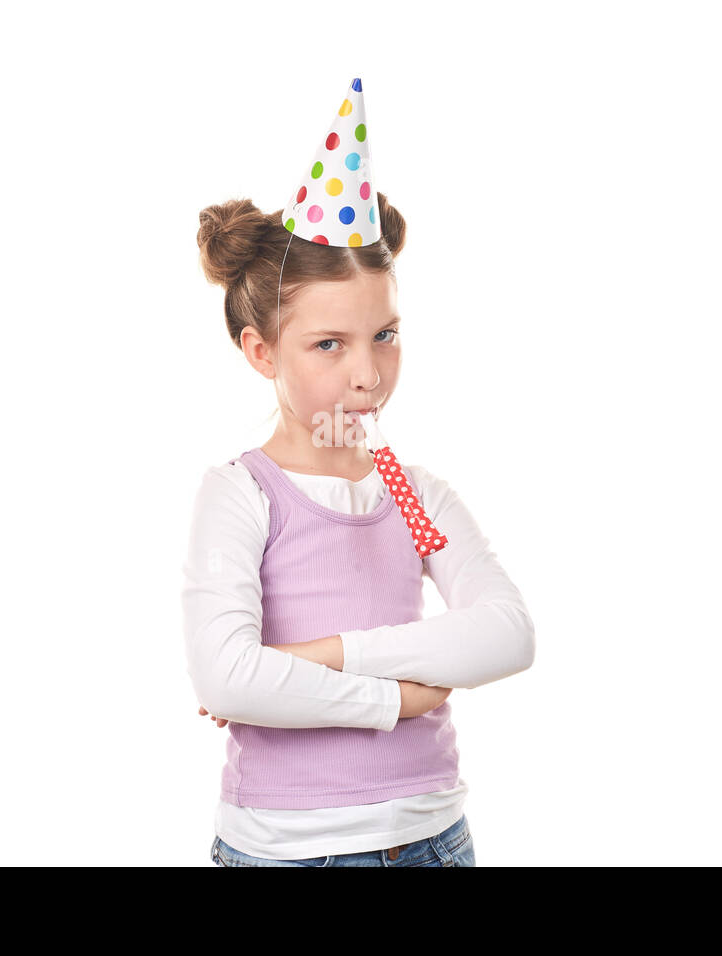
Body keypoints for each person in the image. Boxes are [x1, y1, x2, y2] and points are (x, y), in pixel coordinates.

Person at [181, 79, 534, 867]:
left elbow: (506, 634)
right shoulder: (242, 495)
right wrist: (392, 699)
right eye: (329, 345)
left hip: (433, 840)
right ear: (262, 352)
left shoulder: (409, 495)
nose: (368, 374)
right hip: (286, 851)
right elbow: (228, 680)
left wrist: (313, 662)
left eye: (385, 334)